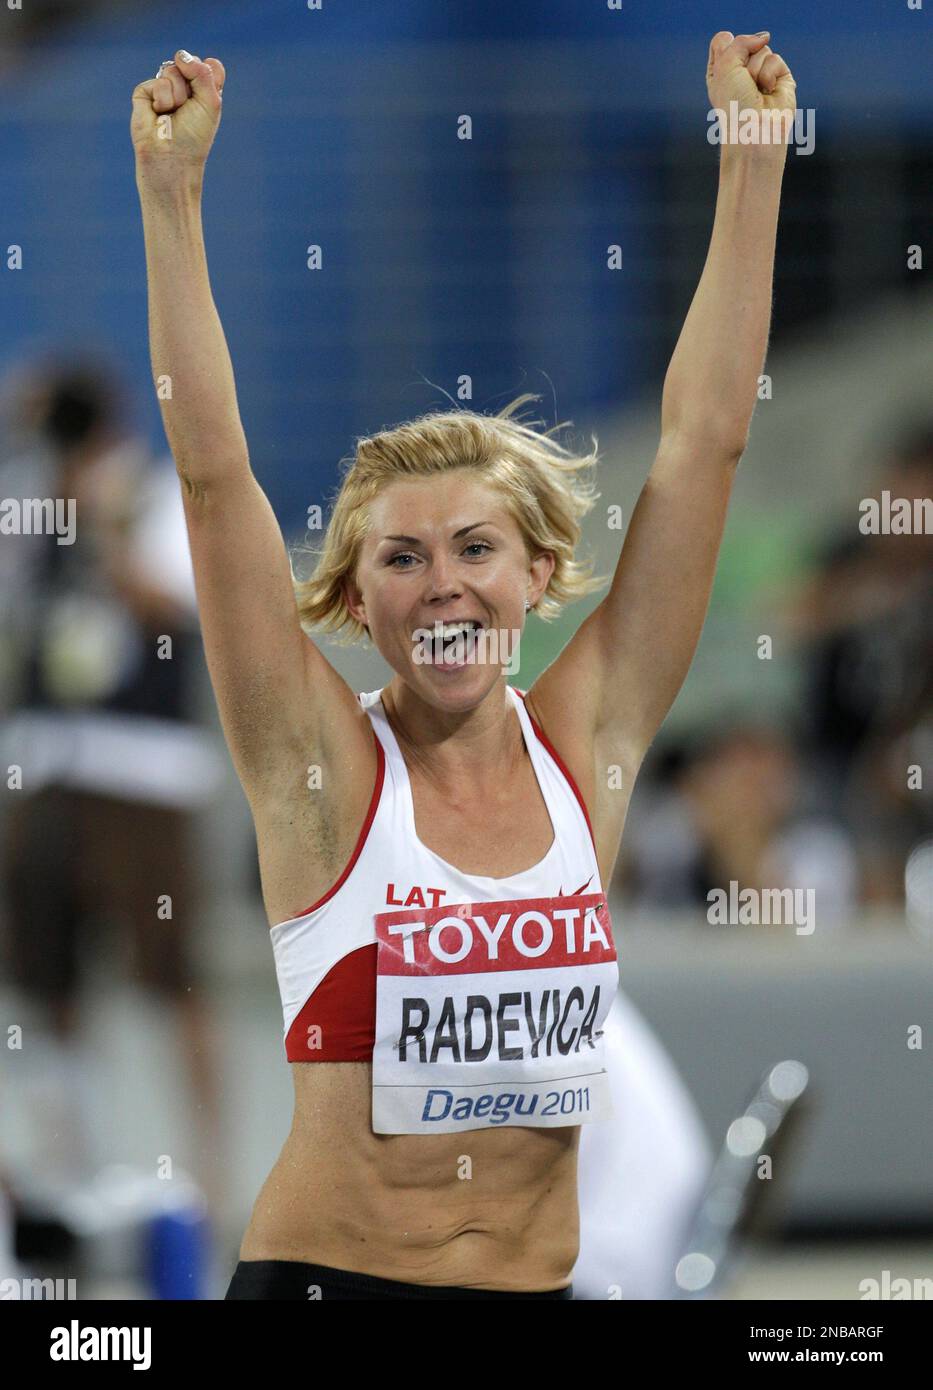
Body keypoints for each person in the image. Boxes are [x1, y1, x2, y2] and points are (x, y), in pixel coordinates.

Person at [129, 31, 795, 1299]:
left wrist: (753, 162)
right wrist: (172, 194)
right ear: (354, 600)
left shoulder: (589, 745)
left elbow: (705, 441)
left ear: (538, 576)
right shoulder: (318, 769)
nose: (442, 582)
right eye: (402, 558)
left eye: (476, 547)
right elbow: (213, 478)